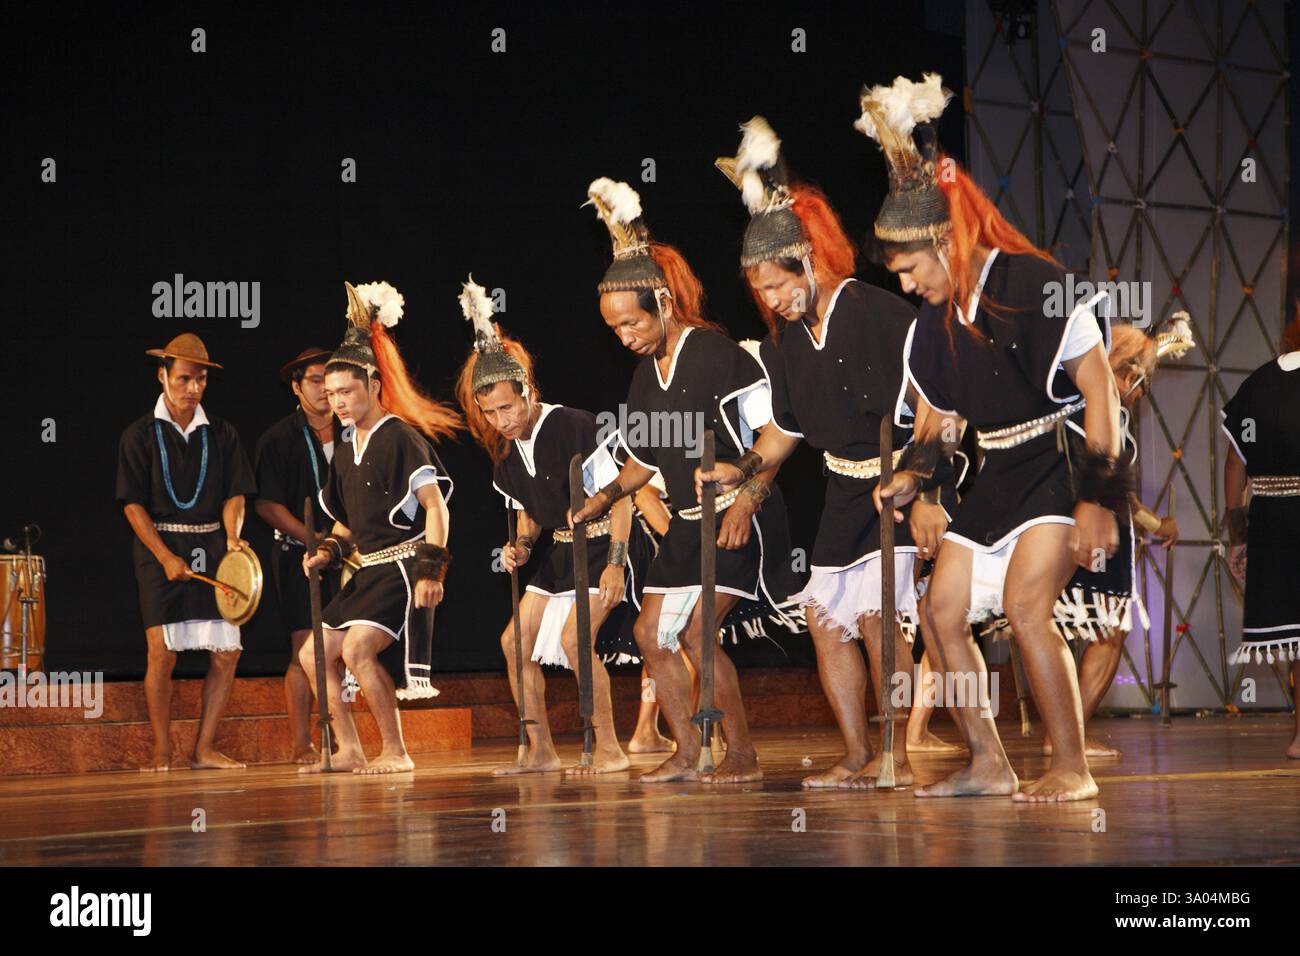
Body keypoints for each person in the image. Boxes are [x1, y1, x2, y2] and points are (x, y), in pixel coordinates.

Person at [862, 74, 1126, 802]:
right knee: (939, 610)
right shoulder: (927, 331)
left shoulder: (1035, 281)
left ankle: (1070, 767)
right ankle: (987, 760)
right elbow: (937, 424)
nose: (909, 287)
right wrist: (914, 479)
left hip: (1062, 460)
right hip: (999, 470)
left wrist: (1099, 501)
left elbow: (1101, 388)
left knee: (1025, 605)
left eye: (913, 270)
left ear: (946, 242)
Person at [702, 117, 959, 790]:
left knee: (878, 622)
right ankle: (854, 754)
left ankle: (896, 756)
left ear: (809, 261)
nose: (775, 301)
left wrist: (921, 480)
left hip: (901, 478)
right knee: (823, 622)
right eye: (761, 293)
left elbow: (938, 401)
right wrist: (748, 468)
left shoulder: (878, 313)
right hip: (846, 490)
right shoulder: (785, 343)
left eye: (781, 286)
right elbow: (785, 427)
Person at [573, 177, 802, 784]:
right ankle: (685, 750)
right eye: (614, 330)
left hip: (737, 516)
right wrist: (601, 497)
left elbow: (779, 433)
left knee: (701, 633)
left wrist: (745, 499)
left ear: (664, 305)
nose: (625, 338)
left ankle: (743, 755)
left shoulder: (719, 355)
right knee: (649, 632)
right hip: (687, 523)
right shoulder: (647, 374)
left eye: (632, 324)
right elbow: (645, 459)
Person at [454, 275, 655, 773]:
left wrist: (615, 566)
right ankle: (538, 750)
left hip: (608, 543)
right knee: (512, 642)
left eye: (506, 406)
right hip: (562, 552)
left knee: (572, 641)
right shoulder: (504, 451)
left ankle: (608, 749)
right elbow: (530, 514)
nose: (500, 419)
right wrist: (521, 545)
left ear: (526, 391)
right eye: (489, 412)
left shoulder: (573, 424)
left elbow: (624, 497)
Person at [300, 281, 460, 774]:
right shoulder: (345, 448)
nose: (338, 403)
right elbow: (347, 519)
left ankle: (397, 750)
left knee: (356, 649)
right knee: (312, 655)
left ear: (372, 384)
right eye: (330, 394)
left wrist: (433, 572)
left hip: (404, 567)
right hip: (366, 569)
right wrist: (327, 547)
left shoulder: (401, 438)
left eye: (346, 391)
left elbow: (436, 508)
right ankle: (349, 748)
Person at [116, 333, 256, 771]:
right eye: (183, 379)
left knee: (227, 651)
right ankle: (162, 751)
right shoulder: (138, 435)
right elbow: (132, 506)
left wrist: (233, 536)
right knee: (163, 652)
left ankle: (204, 748)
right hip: (159, 546)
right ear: (162, 376)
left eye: (199, 380)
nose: (192, 388)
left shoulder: (224, 434)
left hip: (212, 545)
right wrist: (163, 556)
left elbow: (237, 494)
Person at [253, 347, 343, 765]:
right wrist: (316, 538)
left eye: (330, 379)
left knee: (345, 646)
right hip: (298, 554)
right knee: (304, 648)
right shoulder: (279, 438)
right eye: (314, 380)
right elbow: (267, 505)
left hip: (350, 554)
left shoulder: (355, 430)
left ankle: (343, 739)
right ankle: (301, 743)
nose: (324, 388)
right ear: (296, 386)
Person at [1222, 310, 1300, 759]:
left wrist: (1237, 533)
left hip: (1271, 519)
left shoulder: (1259, 384)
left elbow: (1236, 464)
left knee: (1296, 636)